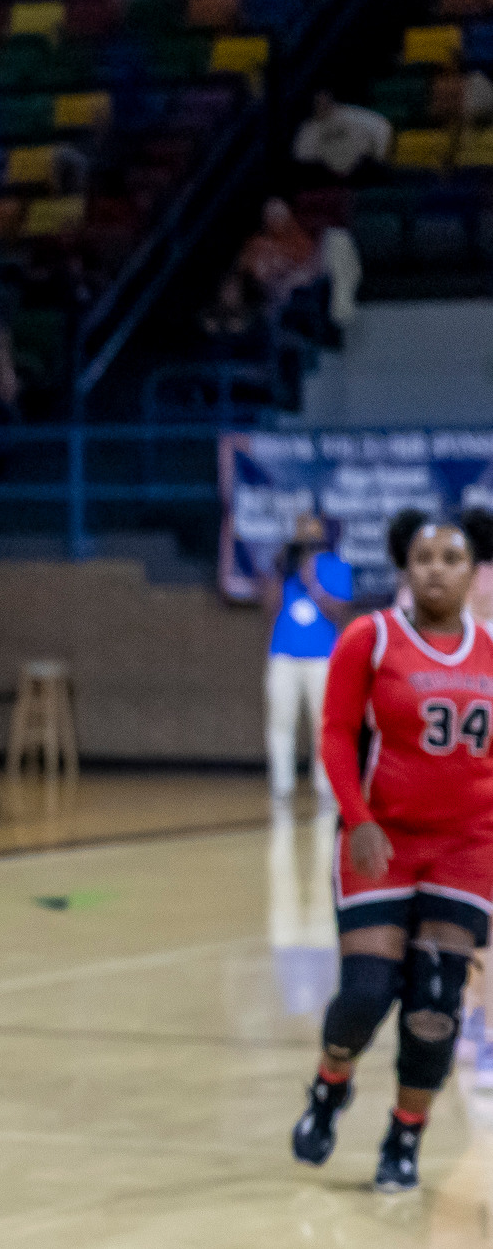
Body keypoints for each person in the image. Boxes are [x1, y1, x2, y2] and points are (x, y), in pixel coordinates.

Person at [291, 507, 493, 1194]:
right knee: (365, 996)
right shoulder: (370, 639)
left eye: (452, 557)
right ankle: (330, 1083)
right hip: (382, 839)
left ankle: (404, 1138)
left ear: (473, 571)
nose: (437, 568)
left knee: (435, 1010)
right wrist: (358, 817)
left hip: (466, 848)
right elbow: (336, 732)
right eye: (424, 557)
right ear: (406, 569)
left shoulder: (491, 651)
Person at [263, 514, 352, 802]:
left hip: (321, 659)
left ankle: (325, 785)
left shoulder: (337, 568)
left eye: (313, 536)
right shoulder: (286, 569)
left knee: (323, 725)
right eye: (302, 535)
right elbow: (270, 609)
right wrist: (280, 573)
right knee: (280, 720)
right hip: (283, 656)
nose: (307, 542)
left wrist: (312, 582)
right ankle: (282, 785)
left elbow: (339, 614)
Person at [293, 89, 393, 180]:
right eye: (318, 102)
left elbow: (382, 126)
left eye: (324, 100)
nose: (322, 105)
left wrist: (379, 156)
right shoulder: (309, 128)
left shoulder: (353, 116)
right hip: (327, 177)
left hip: (361, 171)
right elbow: (302, 155)